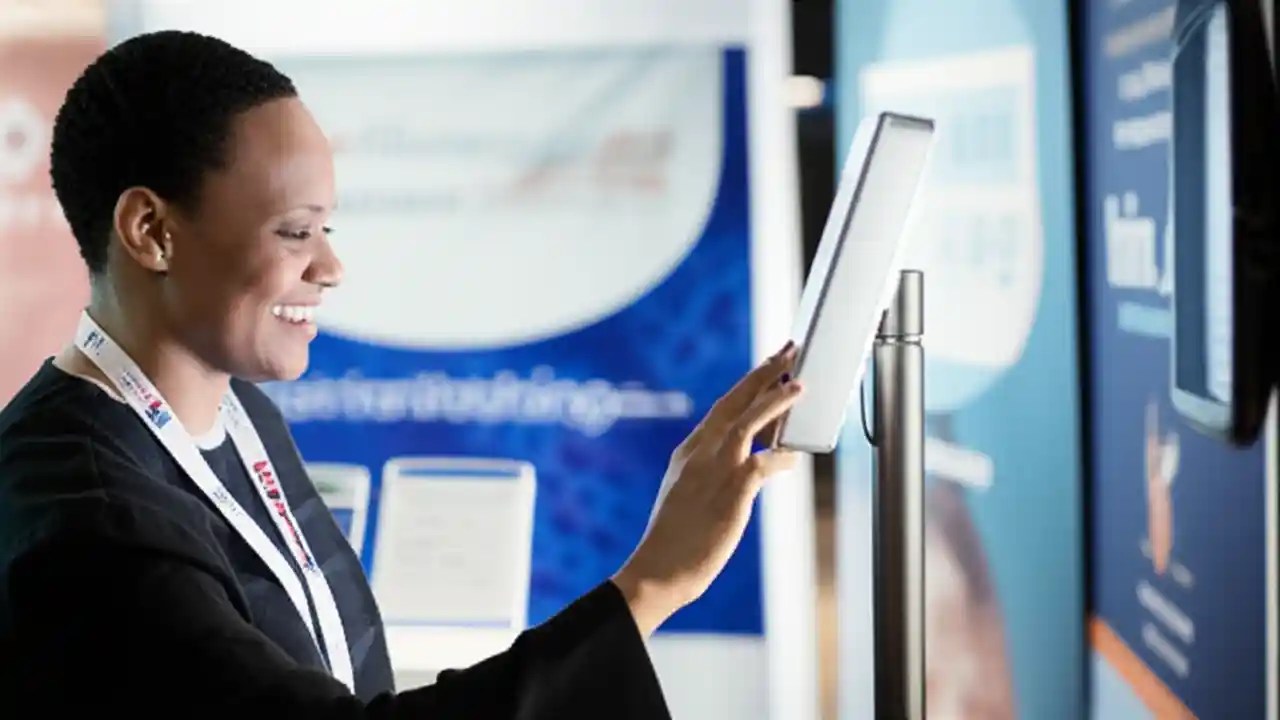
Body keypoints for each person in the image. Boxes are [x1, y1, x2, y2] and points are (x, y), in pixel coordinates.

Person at [0, 30, 805, 718]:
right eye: (294, 231)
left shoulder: (237, 417)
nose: (331, 266)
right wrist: (650, 587)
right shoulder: (83, 517)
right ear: (151, 230)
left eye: (328, 228)